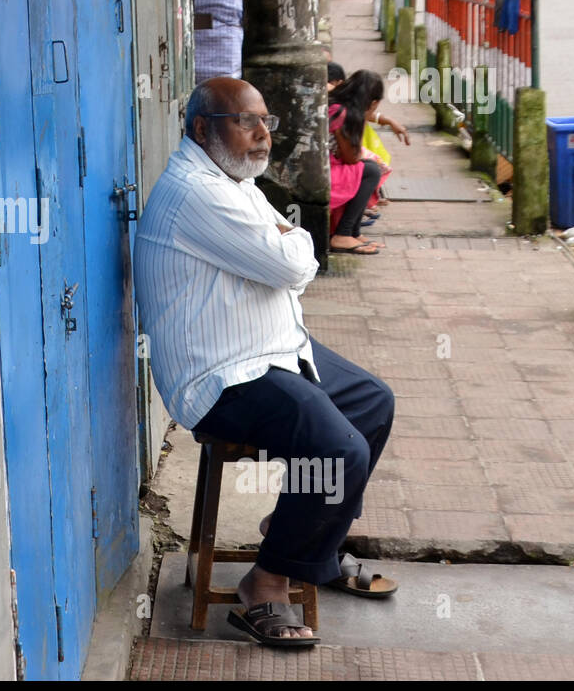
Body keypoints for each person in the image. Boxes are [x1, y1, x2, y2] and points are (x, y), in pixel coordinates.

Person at [133, 76, 398, 646]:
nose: (261, 136)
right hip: (221, 377)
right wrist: (291, 239)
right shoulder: (196, 192)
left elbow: (285, 250)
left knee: (374, 403)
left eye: (266, 123)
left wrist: (285, 239)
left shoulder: (231, 176)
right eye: (245, 122)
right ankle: (269, 582)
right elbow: (297, 265)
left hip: (273, 349)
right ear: (203, 128)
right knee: (337, 448)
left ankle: (306, 542)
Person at [328, 71, 387, 255]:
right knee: (371, 171)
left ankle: (353, 232)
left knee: (369, 167)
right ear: (373, 102)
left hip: (324, 164)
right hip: (324, 169)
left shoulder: (337, 104)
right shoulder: (342, 113)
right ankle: (343, 234)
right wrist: (363, 118)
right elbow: (351, 157)